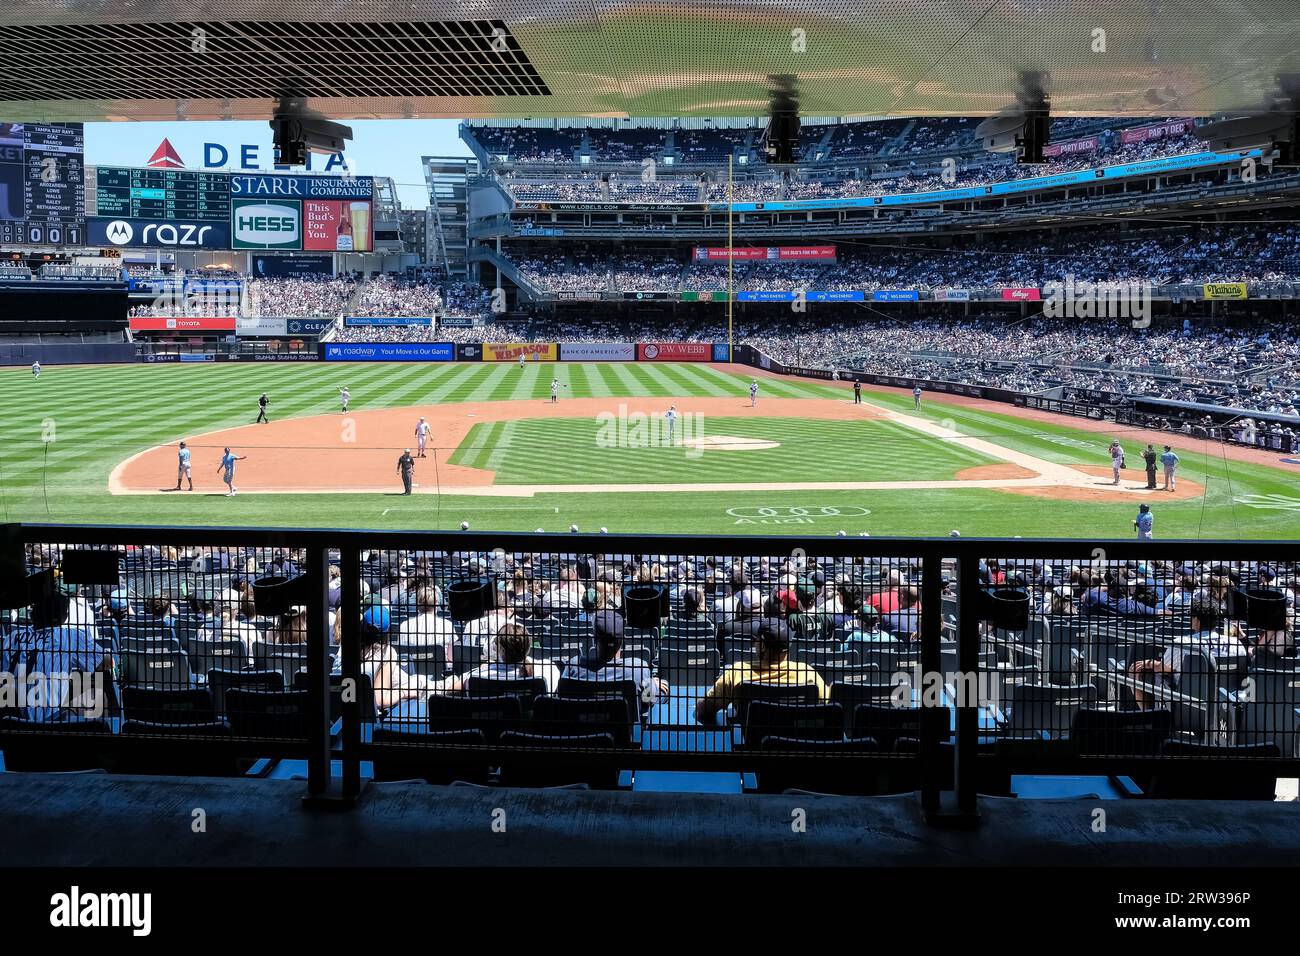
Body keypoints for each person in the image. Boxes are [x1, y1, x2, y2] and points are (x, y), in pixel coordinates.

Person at [694, 619, 829, 725]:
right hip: (795, 747)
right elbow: (829, 704)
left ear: (762, 645)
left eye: (757, 640)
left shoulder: (737, 672)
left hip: (750, 747)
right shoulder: (807, 673)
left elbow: (703, 710)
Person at [1129, 598, 1241, 709]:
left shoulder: (1183, 642)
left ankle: (1148, 715)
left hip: (1188, 701)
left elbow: (1164, 668)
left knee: (1136, 670)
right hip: (1226, 702)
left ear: (1197, 620)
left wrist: (1149, 663)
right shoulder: (1236, 643)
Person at [561, 609, 667, 704]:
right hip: (625, 726)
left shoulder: (574, 666)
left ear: (594, 638)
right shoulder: (639, 668)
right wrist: (655, 686)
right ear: (624, 638)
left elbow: (561, 696)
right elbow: (653, 701)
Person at [463, 622, 560, 692]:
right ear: (528, 647)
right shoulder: (548, 669)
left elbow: (452, 689)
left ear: (498, 648)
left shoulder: (478, 676)